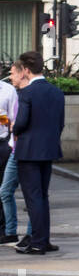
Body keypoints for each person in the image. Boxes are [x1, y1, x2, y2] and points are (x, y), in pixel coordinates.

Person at [10, 51, 65, 255]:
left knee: (33, 198)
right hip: (49, 149)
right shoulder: (57, 92)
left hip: (28, 150)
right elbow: (60, 123)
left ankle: (38, 242)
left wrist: (14, 127)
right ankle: (45, 239)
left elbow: (22, 122)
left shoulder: (27, 93)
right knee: (43, 196)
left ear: (25, 70)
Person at [0, 73, 21, 244]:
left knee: (3, 188)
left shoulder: (8, 91)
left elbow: (15, 120)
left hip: (2, 143)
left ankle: (4, 228)